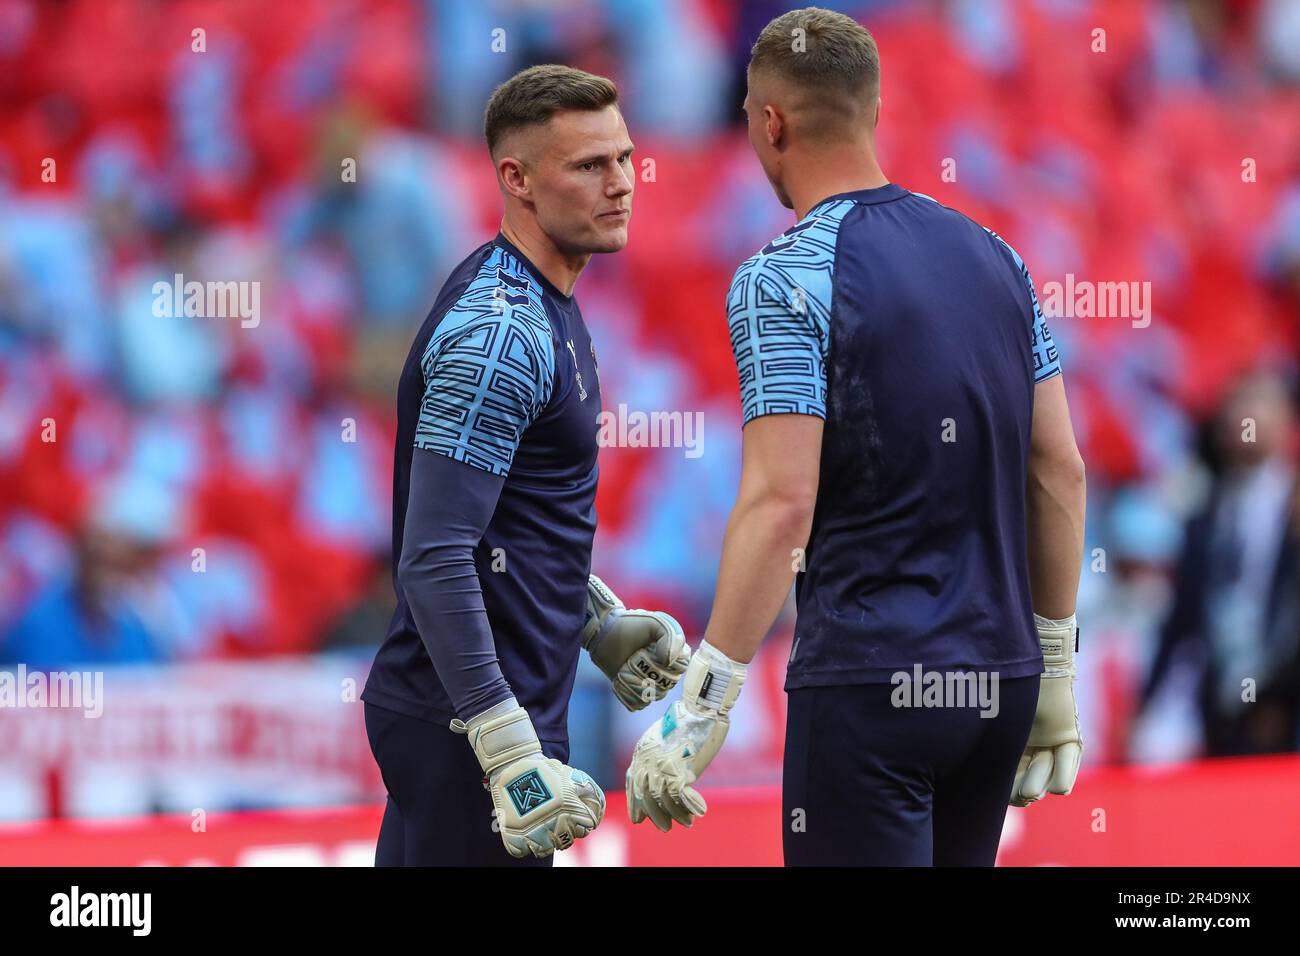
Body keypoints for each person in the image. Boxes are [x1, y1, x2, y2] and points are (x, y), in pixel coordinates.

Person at [625, 7, 1087, 866]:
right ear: (872, 111)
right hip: (997, 681)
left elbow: (779, 503)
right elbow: (1058, 467)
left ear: (770, 124)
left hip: (872, 684)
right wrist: (1056, 662)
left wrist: (704, 702)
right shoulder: (998, 257)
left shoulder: (781, 275)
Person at [361, 64, 690, 866]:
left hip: (464, 714)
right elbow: (435, 557)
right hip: (467, 728)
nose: (621, 184)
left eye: (624, 158)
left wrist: (595, 619)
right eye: (588, 166)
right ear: (517, 179)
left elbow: (502, 523)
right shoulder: (501, 332)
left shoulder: (546, 302)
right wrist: (506, 751)